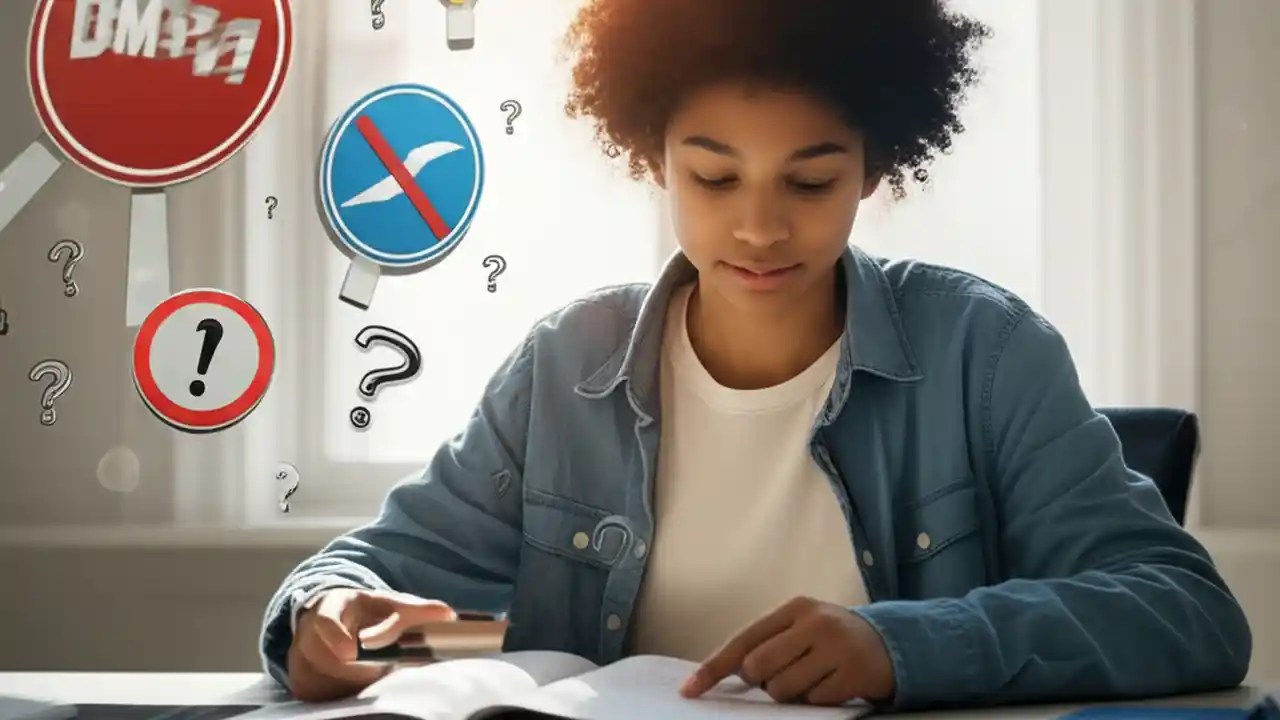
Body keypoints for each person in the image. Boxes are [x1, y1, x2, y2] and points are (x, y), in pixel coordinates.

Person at [260, 0, 1253, 709]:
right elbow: (401, 594)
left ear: (874, 167)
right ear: (652, 156)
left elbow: (1186, 611)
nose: (760, 228)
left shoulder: (982, 354)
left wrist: (902, 650)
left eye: (809, 182)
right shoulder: (566, 367)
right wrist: (333, 621)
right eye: (713, 178)